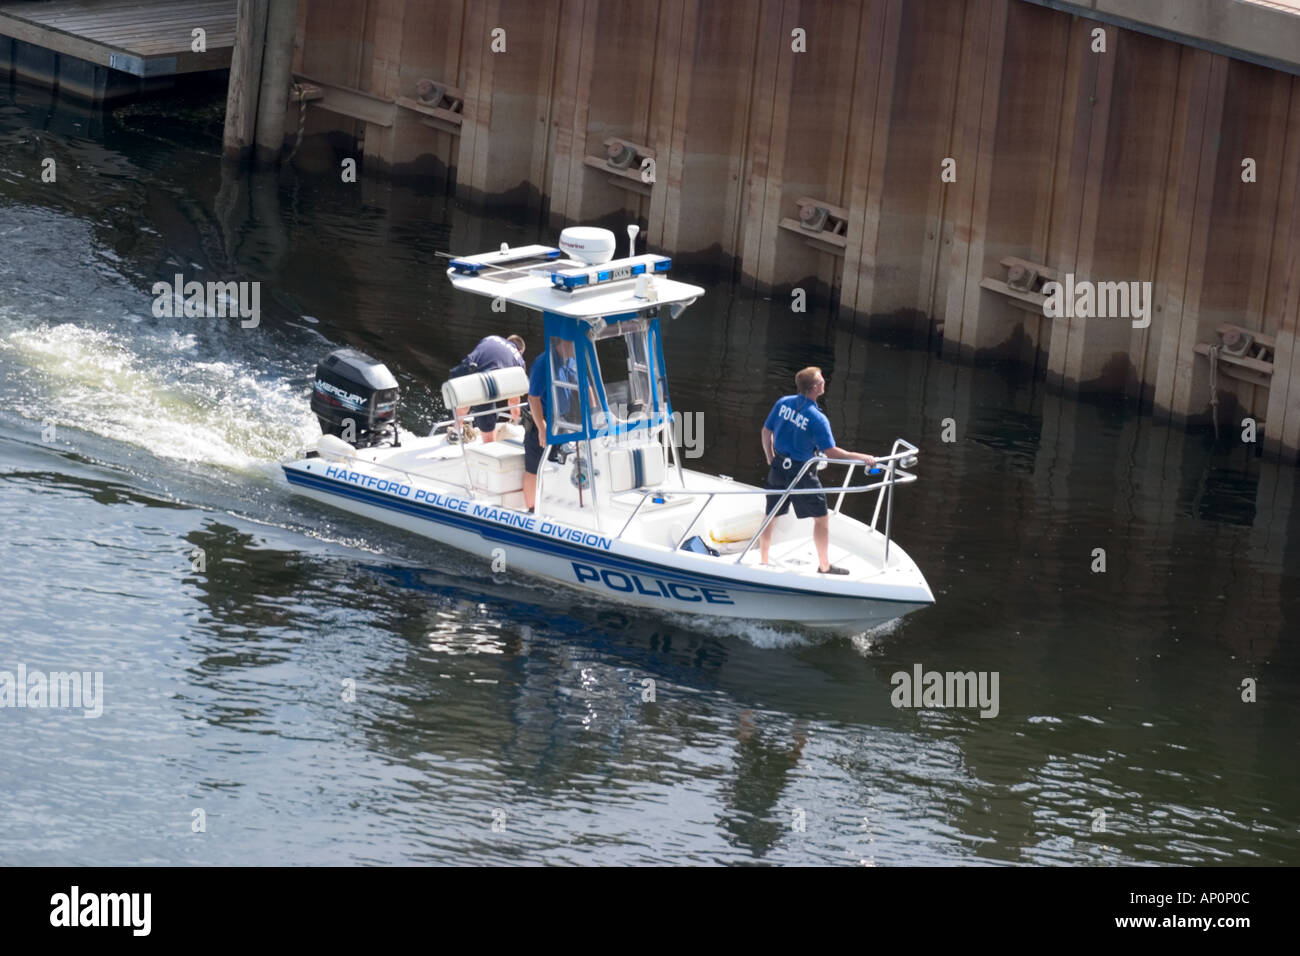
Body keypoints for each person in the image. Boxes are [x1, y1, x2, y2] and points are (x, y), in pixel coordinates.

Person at [758, 366, 876, 574]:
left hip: (778, 467)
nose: (824, 383)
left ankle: (763, 561)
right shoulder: (817, 418)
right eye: (821, 381)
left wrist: (770, 457)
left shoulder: (783, 402)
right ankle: (824, 566)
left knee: (771, 515)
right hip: (802, 472)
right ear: (814, 388)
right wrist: (862, 457)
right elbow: (832, 453)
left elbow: (766, 431)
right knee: (821, 517)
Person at [523, 339, 577, 511]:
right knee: (534, 467)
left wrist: (596, 411)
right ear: (566, 342)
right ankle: (531, 509)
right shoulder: (544, 363)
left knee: (562, 463)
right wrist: (542, 428)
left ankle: (555, 505)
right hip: (542, 420)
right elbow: (533, 398)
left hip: (562, 420)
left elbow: (585, 384)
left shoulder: (571, 360)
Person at [450, 334, 526, 443]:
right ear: (520, 351)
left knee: (465, 401)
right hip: (482, 381)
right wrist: (515, 418)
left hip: (462, 372)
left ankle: (456, 430)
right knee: (488, 427)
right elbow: (514, 399)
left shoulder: (491, 338)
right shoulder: (519, 361)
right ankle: (489, 446)